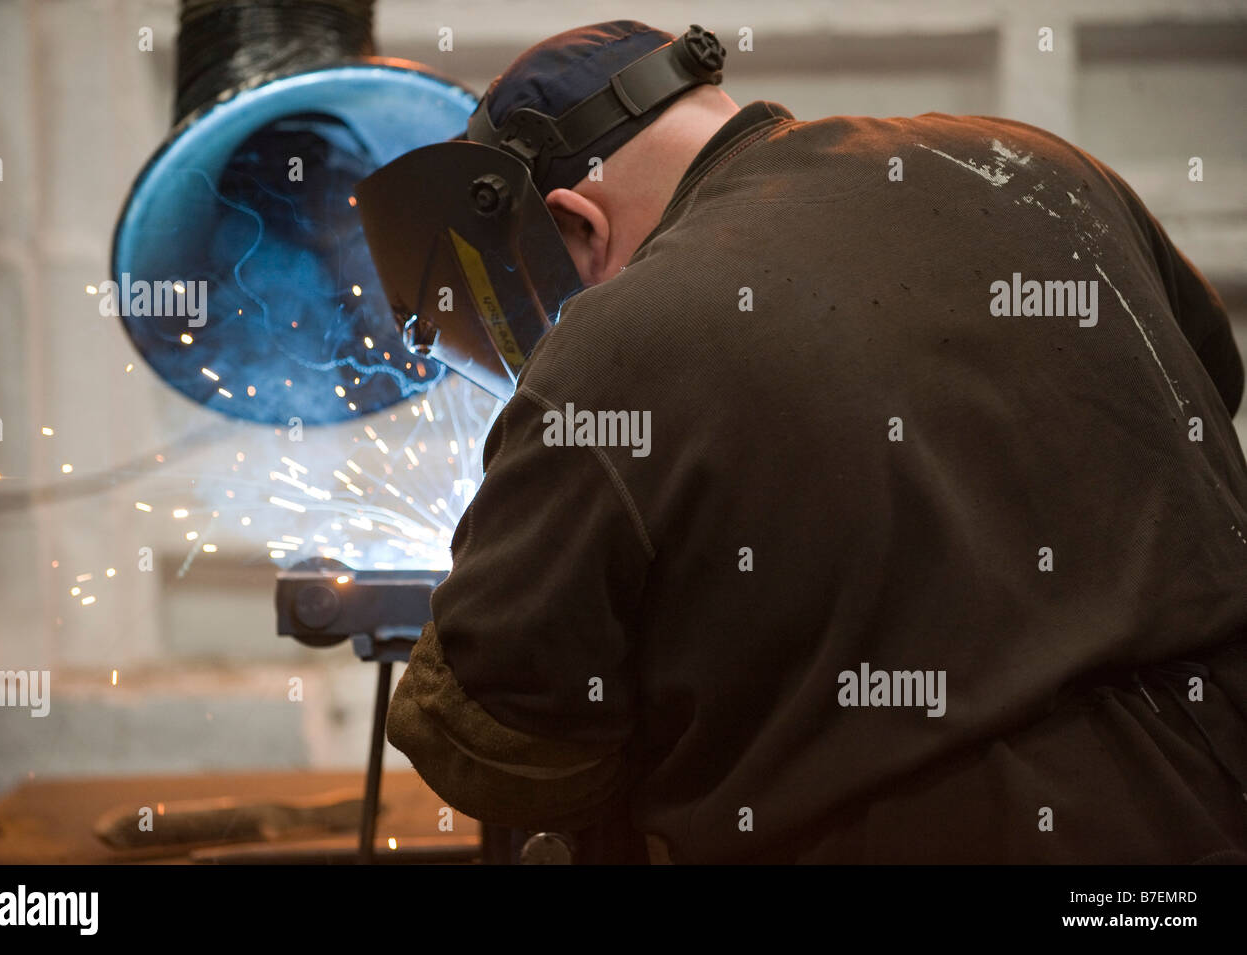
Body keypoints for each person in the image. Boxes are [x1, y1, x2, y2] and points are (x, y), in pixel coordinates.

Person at [383, 20, 1247, 863]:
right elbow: (1210, 382)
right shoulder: (1040, 166)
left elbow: (492, 730)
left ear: (578, 224)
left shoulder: (619, 337)